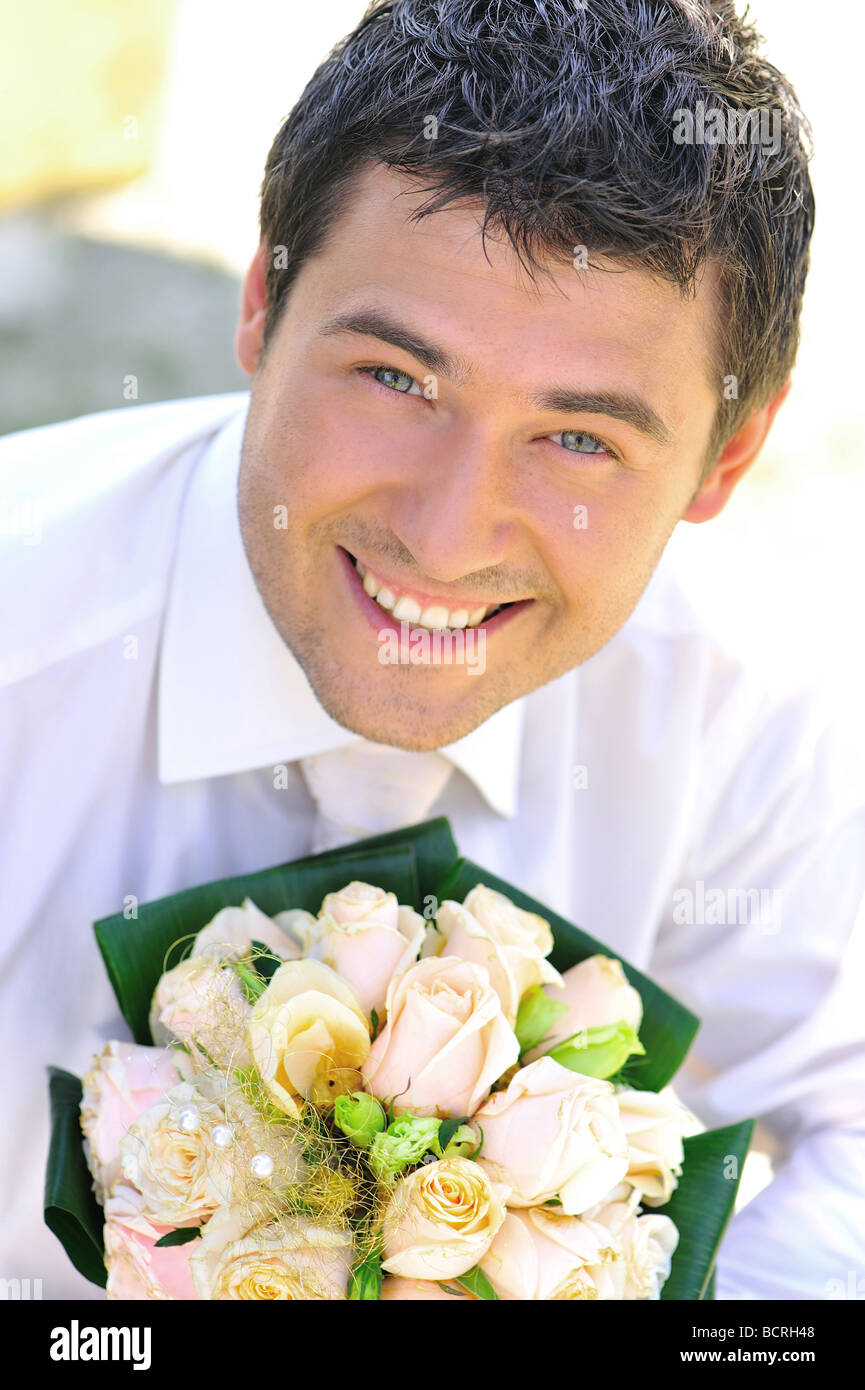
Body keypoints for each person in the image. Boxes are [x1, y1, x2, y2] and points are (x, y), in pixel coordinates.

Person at [1, 0, 863, 1301]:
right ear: (260, 302)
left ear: (724, 458)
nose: (446, 539)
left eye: (578, 439)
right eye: (396, 379)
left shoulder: (744, 714)